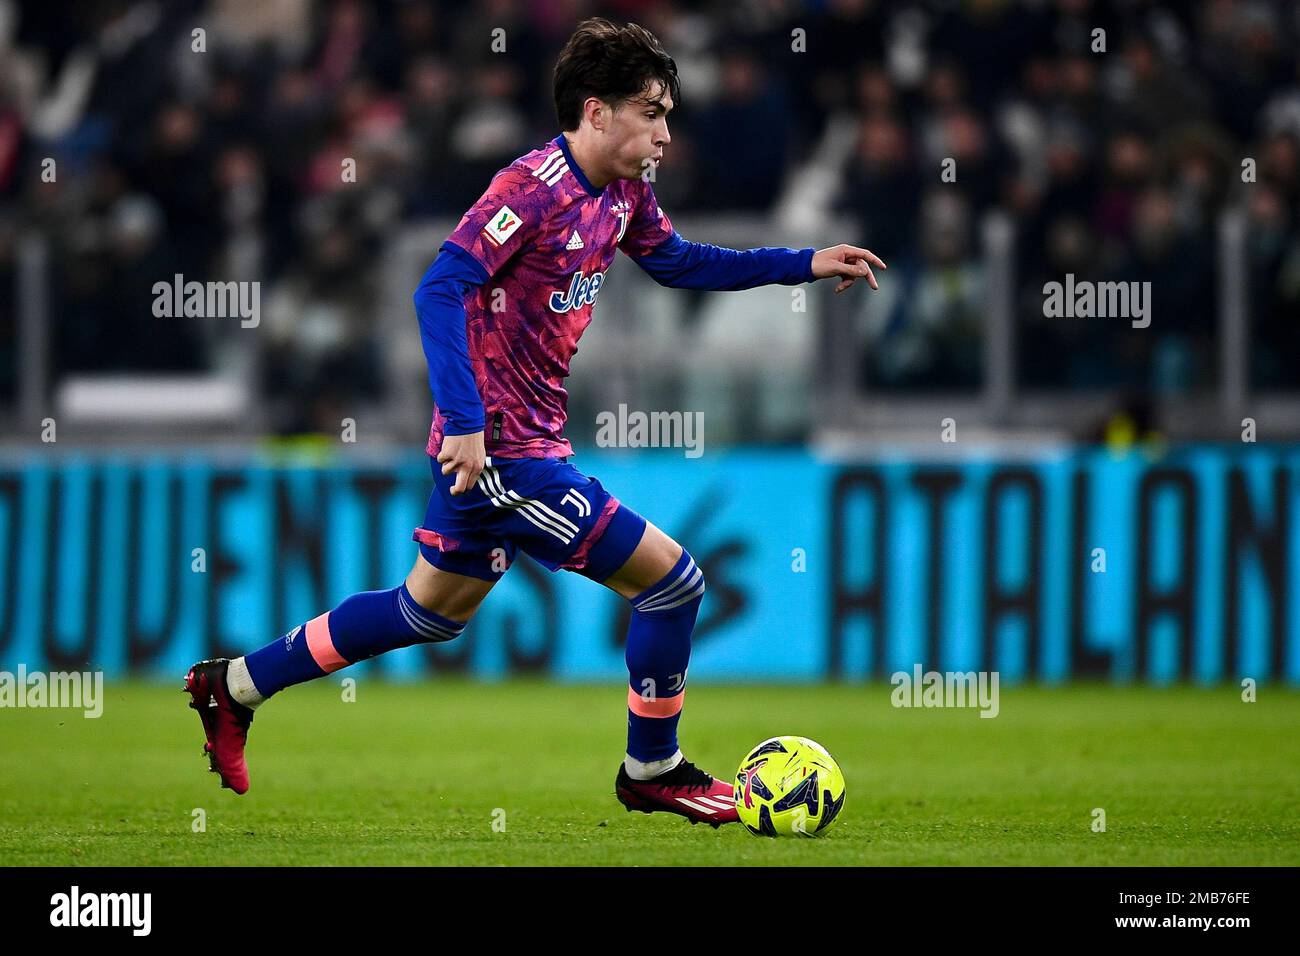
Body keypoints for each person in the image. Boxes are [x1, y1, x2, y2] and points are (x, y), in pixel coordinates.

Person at [185, 16, 884, 827]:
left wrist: (802, 262)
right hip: (503, 453)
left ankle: (231, 687)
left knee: (427, 612)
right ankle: (651, 769)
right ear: (597, 112)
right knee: (673, 583)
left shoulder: (624, 193)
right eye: (652, 112)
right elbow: (437, 288)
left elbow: (681, 261)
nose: (665, 133)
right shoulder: (530, 191)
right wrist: (464, 421)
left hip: (520, 443)